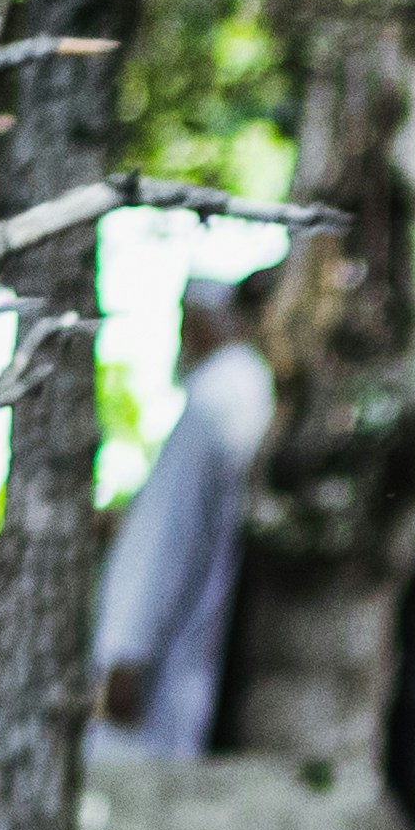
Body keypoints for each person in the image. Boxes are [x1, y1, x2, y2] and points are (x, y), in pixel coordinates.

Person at [91, 276, 277, 760]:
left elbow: (169, 537)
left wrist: (129, 651)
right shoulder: (243, 387)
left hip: (159, 658)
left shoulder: (217, 397)